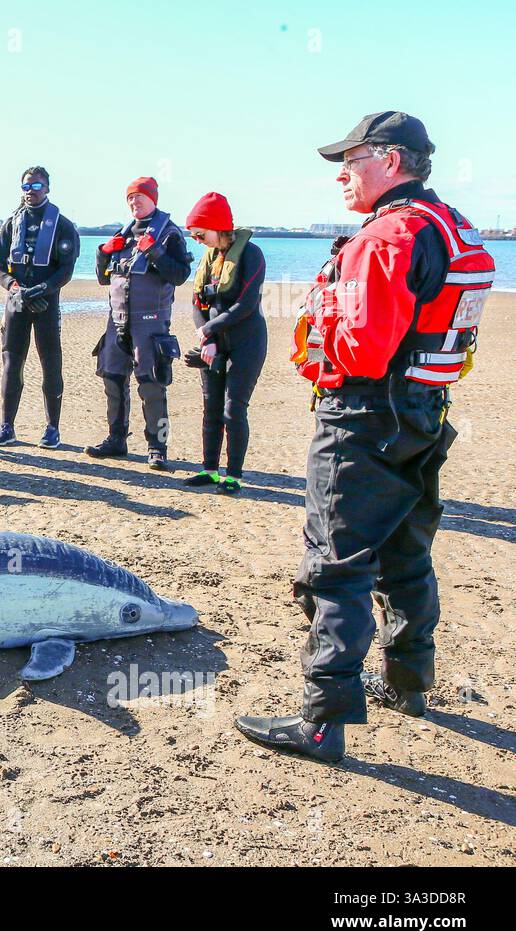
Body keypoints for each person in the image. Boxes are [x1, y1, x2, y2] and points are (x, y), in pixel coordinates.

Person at [236, 112, 494, 763]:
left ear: (390, 160)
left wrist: (322, 307)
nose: (341, 176)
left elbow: (360, 349)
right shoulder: (449, 225)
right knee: (406, 553)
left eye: (349, 161)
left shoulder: (387, 237)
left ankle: (323, 723)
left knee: (335, 565)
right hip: (424, 414)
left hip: (364, 418)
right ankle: (408, 682)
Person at [90, 177, 192, 468]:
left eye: (139, 197)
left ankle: (157, 448)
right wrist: (103, 253)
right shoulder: (122, 233)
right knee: (112, 378)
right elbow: (102, 279)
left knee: (152, 384)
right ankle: (116, 439)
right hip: (117, 320)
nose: (134, 202)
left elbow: (180, 275)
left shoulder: (169, 234)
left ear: (153, 198)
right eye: (130, 198)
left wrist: (155, 252)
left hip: (151, 323)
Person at [180, 192, 267, 494]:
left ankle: (233, 476)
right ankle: (209, 470)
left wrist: (210, 331)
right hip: (215, 344)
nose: (198, 240)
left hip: (247, 342)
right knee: (211, 409)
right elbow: (196, 304)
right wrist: (209, 337)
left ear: (218, 227)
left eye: (200, 234)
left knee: (233, 409)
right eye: (193, 236)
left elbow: (245, 305)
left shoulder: (251, 254)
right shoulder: (209, 259)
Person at [0, 166, 80, 448]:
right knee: (11, 364)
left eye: (37, 186)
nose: (31, 191)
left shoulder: (63, 226)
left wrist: (43, 289)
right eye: (26, 186)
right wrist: (13, 287)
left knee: (51, 364)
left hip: (46, 304)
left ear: (48, 189)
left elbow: (66, 270)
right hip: (16, 303)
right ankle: (7, 427)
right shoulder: (10, 224)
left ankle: (52, 428)